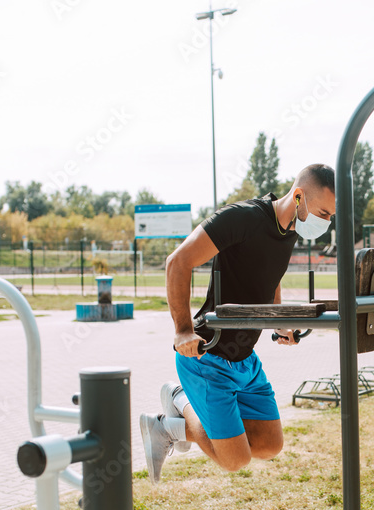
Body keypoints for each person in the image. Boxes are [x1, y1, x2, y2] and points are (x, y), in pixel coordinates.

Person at [139, 164, 336, 482]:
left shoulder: (288, 232)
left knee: (269, 445)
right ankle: (175, 407)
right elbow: (178, 261)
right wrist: (183, 330)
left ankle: (174, 423)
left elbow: (270, 278)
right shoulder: (242, 218)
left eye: (330, 217)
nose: (326, 223)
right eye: (324, 213)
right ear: (298, 196)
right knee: (235, 459)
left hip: (246, 359)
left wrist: (280, 322)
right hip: (208, 354)